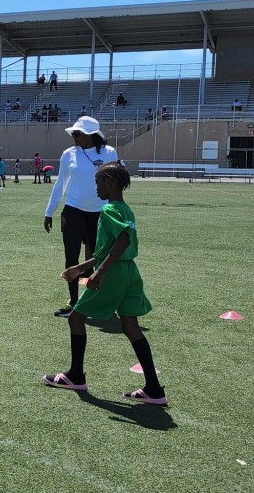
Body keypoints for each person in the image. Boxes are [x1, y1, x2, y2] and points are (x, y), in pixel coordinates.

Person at [44, 162, 166, 405]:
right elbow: (111, 248)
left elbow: (122, 240)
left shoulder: (109, 210)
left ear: (110, 182)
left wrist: (99, 273)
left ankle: (75, 375)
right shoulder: (126, 210)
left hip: (113, 273)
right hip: (130, 271)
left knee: (75, 318)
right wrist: (80, 268)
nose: (96, 188)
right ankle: (154, 388)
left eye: (98, 182)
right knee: (131, 326)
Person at [44, 116, 119, 317]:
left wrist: (116, 210)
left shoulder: (109, 152)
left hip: (101, 214)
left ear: (90, 135)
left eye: (78, 133)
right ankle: (74, 302)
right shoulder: (68, 154)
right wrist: (49, 212)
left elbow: (116, 183)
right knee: (71, 257)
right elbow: (60, 184)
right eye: (74, 133)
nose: (74, 136)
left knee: (96, 259)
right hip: (73, 211)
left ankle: (92, 300)